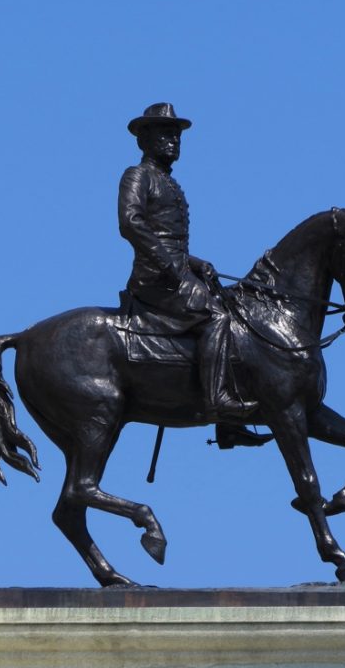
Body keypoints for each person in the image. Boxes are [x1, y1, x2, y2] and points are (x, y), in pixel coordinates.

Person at [119, 104, 271, 447]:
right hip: (154, 279)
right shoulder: (137, 176)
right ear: (145, 139)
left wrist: (194, 263)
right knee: (216, 317)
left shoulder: (169, 182)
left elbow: (170, 242)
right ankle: (218, 401)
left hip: (176, 273)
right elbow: (131, 223)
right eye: (166, 134)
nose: (174, 141)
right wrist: (170, 264)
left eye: (177, 135)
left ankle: (228, 426)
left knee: (235, 310)